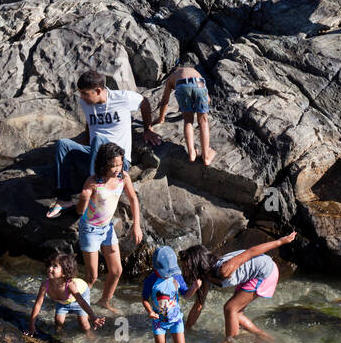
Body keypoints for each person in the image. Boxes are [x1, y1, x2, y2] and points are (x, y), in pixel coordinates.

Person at [47, 68, 161, 215]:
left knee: (99, 139)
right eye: (80, 93)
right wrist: (87, 139)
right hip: (95, 154)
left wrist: (147, 129)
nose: (81, 98)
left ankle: (96, 193)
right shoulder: (86, 103)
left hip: (118, 162)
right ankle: (64, 198)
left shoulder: (122, 98)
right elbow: (90, 122)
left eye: (85, 94)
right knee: (63, 144)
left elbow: (144, 102)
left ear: (99, 91)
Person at [180, 234, 297, 343]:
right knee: (237, 314)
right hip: (250, 274)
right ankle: (264, 337)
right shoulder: (205, 277)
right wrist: (187, 329)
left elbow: (250, 252)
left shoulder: (224, 269)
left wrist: (280, 241)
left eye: (187, 268)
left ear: (197, 265)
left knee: (230, 308)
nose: (185, 271)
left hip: (265, 271)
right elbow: (198, 305)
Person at [75, 141, 142, 312]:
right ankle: (75, 305)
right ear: (104, 164)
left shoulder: (123, 177)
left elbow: (133, 199)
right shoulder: (93, 181)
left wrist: (137, 226)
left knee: (117, 271)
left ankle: (104, 301)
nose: (117, 168)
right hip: (90, 229)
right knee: (92, 277)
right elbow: (79, 211)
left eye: (120, 164)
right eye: (113, 165)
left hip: (107, 228)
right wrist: (83, 199)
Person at [27, 252, 105, 337]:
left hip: (80, 295)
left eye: (55, 266)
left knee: (83, 323)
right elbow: (38, 305)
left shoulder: (70, 285)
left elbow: (82, 302)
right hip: (63, 301)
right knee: (58, 321)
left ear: (64, 273)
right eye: (50, 265)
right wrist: (31, 325)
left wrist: (93, 317)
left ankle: (90, 334)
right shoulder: (45, 285)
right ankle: (60, 336)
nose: (50, 268)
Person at [142, 246, 194, 343]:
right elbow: (144, 299)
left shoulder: (176, 277)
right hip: (158, 320)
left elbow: (186, 295)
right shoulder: (150, 281)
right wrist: (150, 311)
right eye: (166, 272)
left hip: (176, 319)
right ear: (155, 267)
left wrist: (194, 288)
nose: (168, 275)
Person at [156, 64, 215, 165]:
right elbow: (208, 99)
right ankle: (206, 156)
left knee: (188, 120)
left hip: (182, 85)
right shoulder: (194, 71)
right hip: (199, 83)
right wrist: (201, 110)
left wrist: (161, 118)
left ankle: (192, 153)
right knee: (203, 122)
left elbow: (164, 100)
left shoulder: (172, 77)